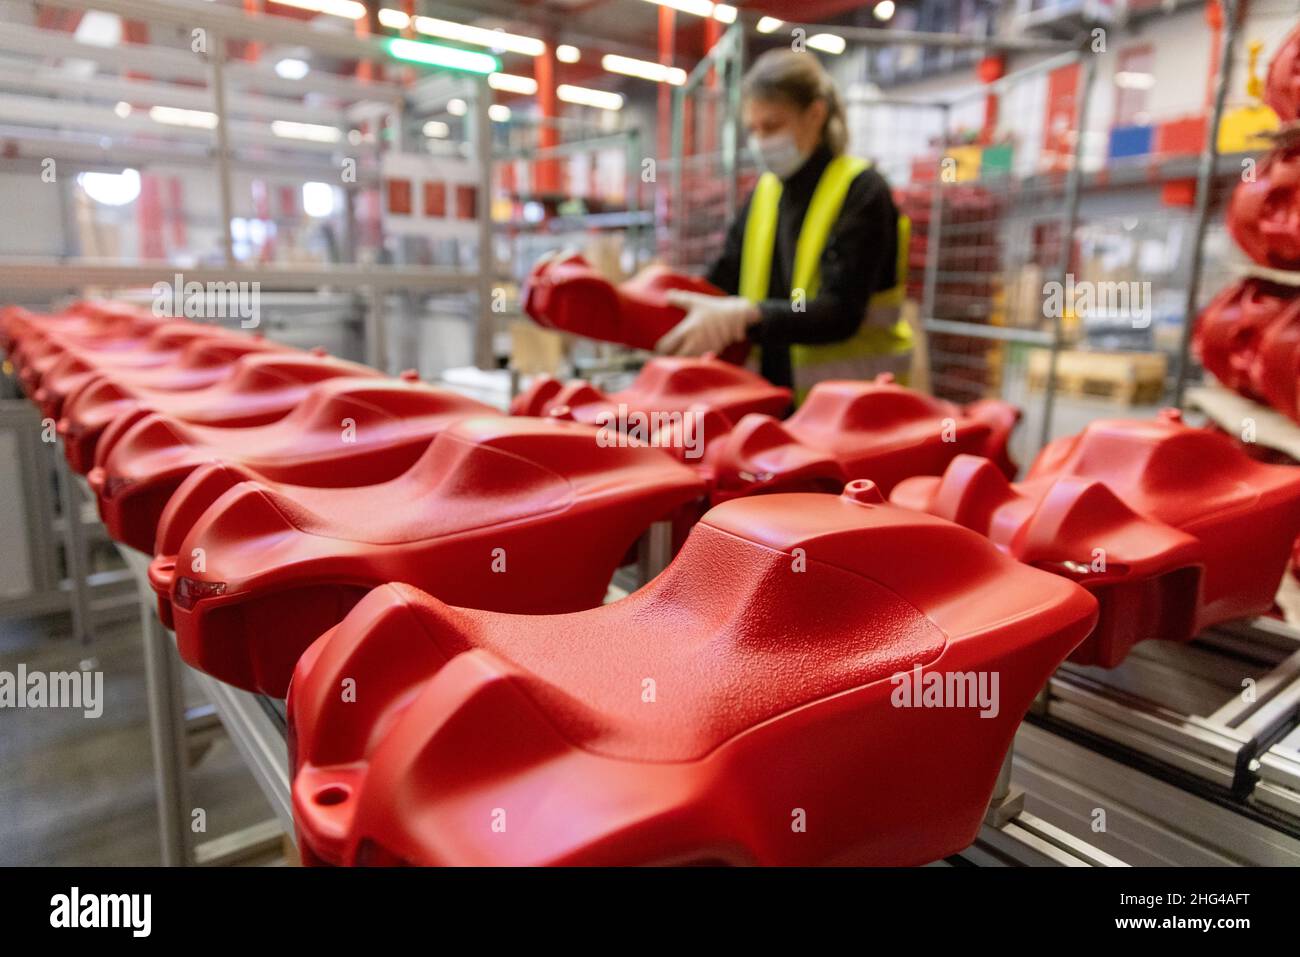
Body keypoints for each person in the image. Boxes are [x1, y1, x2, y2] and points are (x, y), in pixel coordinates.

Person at [656, 48, 912, 399]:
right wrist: (661, 301)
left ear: (815, 114)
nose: (761, 141)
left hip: (853, 415)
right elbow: (725, 275)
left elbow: (841, 312)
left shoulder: (863, 191)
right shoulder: (764, 193)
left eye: (772, 126)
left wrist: (749, 315)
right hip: (772, 399)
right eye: (753, 130)